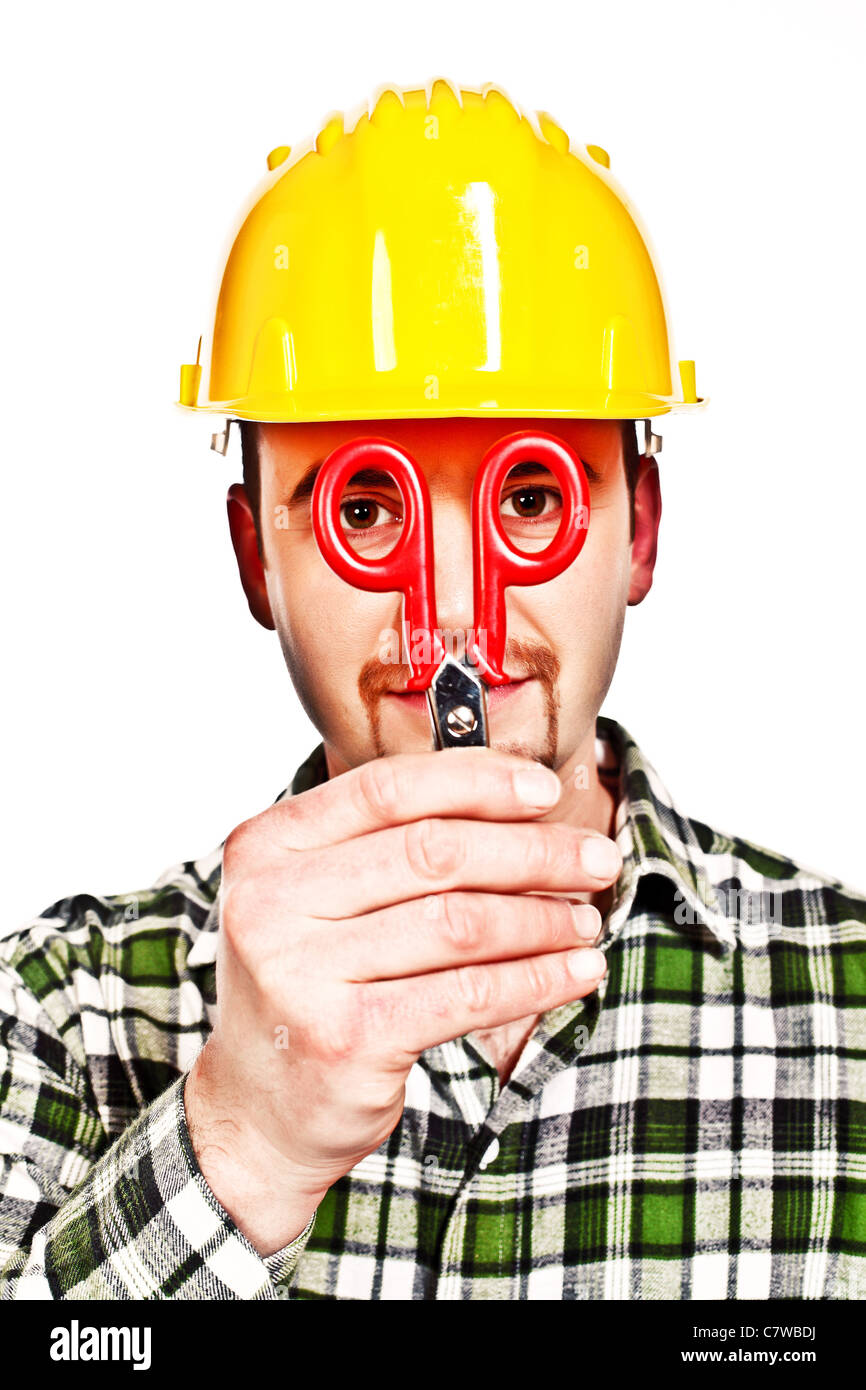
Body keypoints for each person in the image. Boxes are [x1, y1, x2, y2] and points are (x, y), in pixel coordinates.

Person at [2, 79, 864, 1303]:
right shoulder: (59, 1013)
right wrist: (236, 1147)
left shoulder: (847, 1007)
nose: (449, 616)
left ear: (637, 533)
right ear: (257, 560)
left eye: (527, 498)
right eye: (365, 508)